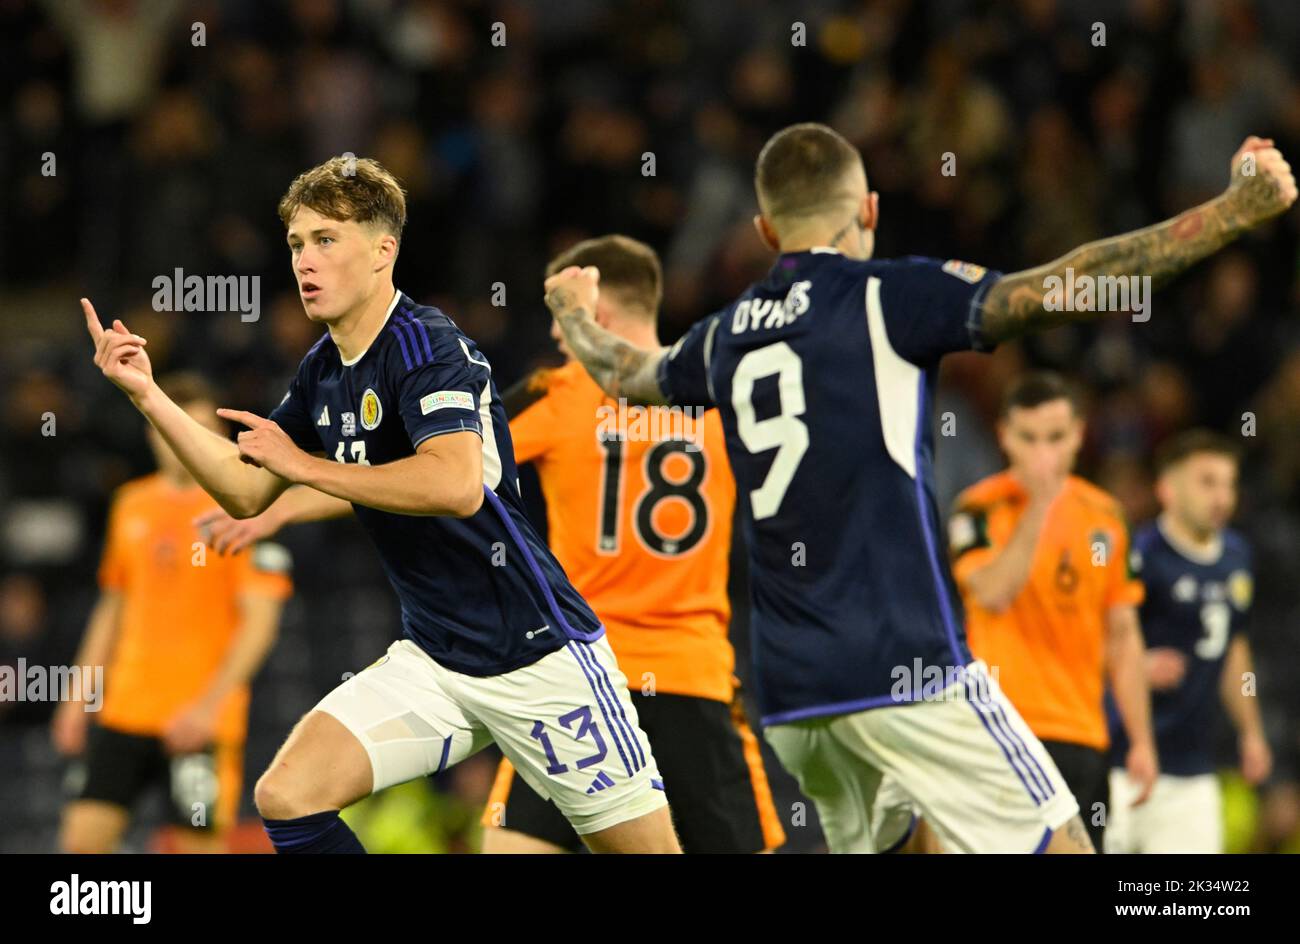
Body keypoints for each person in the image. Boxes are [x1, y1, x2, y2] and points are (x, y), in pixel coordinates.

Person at [542, 122, 1295, 852]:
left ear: (767, 233)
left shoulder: (725, 334)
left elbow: (627, 375)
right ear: (869, 211)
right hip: (908, 665)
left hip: (794, 693)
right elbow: (1068, 289)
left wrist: (575, 317)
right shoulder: (888, 297)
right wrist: (1232, 212)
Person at [83, 156, 678, 854]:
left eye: (327, 240)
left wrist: (308, 467)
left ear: (382, 251)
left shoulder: (430, 346)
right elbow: (246, 488)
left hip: (537, 658)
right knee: (288, 795)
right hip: (436, 661)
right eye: (297, 244)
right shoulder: (324, 369)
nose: (305, 260)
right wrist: (147, 396)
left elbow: (454, 486)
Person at [196, 235, 786, 854]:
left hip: (564, 659)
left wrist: (284, 507)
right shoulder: (717, 401)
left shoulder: (562, 396)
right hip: (689, 670)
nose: (562, 340)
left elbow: (436, 473)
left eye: (567, 320)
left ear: (598, 313)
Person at [53, 372, 291, 853]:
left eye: (201, 429)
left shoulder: (245, 508)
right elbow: (112, 607)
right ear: (153, 431)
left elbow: (261, 624)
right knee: (80, 846)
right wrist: (78, 696)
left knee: (198, 849)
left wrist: (207, 707)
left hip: (200, 721)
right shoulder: (130, 504)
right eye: (174, 426)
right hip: (125, 712)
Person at [945, 371, 1155, 852]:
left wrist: (1141, 739)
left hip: (1081, 734)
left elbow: (1123, 636)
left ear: (1079, 434)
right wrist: (1039, 506)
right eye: (1029, 438)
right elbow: (993, 592)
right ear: (1004, 436)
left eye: (1056, 437)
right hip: (997, 732)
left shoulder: (1106, 517)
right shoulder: (978, 509)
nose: (1044, 454)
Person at [1106, 430, 1272, 853]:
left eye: (1229, 483)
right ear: (1167, 489)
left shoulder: (1237, 557)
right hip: (1121, 762)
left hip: (1194, 771)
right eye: (1207, 482)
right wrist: (1135, 666)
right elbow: (1095, 639)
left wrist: (1251, 731)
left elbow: (1234, 646)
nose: (1222, 496)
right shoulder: (1137, 555)